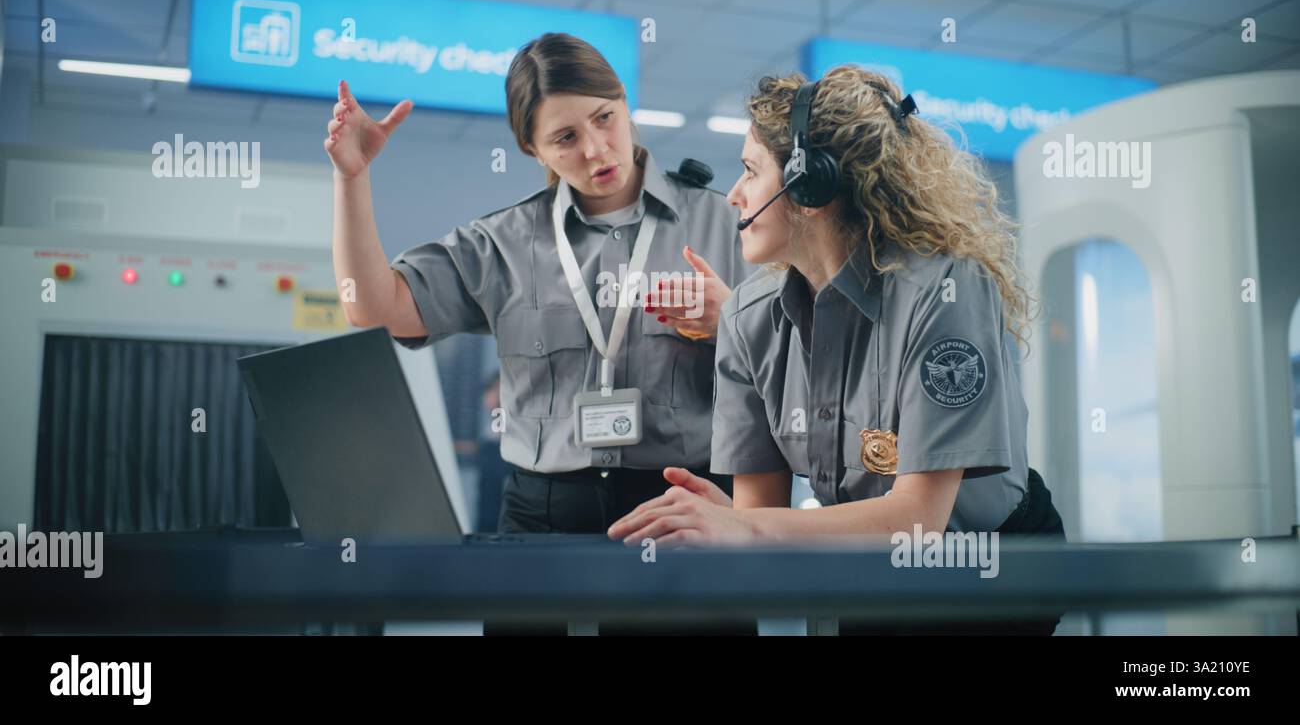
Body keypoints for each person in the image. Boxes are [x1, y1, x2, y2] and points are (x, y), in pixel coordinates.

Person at [607, 65, 1066, 635]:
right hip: (870, 561)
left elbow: (918, 522)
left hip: (985, 569)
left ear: (810, 187)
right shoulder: (750, 319)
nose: (733, 195)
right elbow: (760, 521)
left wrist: (747, 529)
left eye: (751, 171)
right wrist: (724, 521)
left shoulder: (944, 292)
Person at [325, 32, 752, 538]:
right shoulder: (502, 243)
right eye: (565, 138)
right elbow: (371, 307)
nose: (596, 150)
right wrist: (352, 179)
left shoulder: (726, 224)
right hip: (541, 514)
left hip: (681, 503)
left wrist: (730, 321)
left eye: (604, 118)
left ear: (624, 103)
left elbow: (795, 362)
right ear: (534, 149)